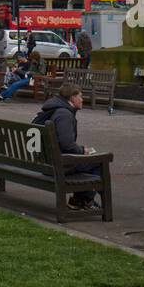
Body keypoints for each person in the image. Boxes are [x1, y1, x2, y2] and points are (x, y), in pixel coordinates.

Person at [32, 83, 100, 211]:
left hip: (44, 162)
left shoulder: (52, 109)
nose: (82, 99)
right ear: (72, 98)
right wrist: (82, 150)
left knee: (89, 161)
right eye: (80, 96)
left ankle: (82, 199)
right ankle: (82, 200)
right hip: (56, 165)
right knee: (97, 161)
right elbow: (67, 144)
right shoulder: (64, 114)